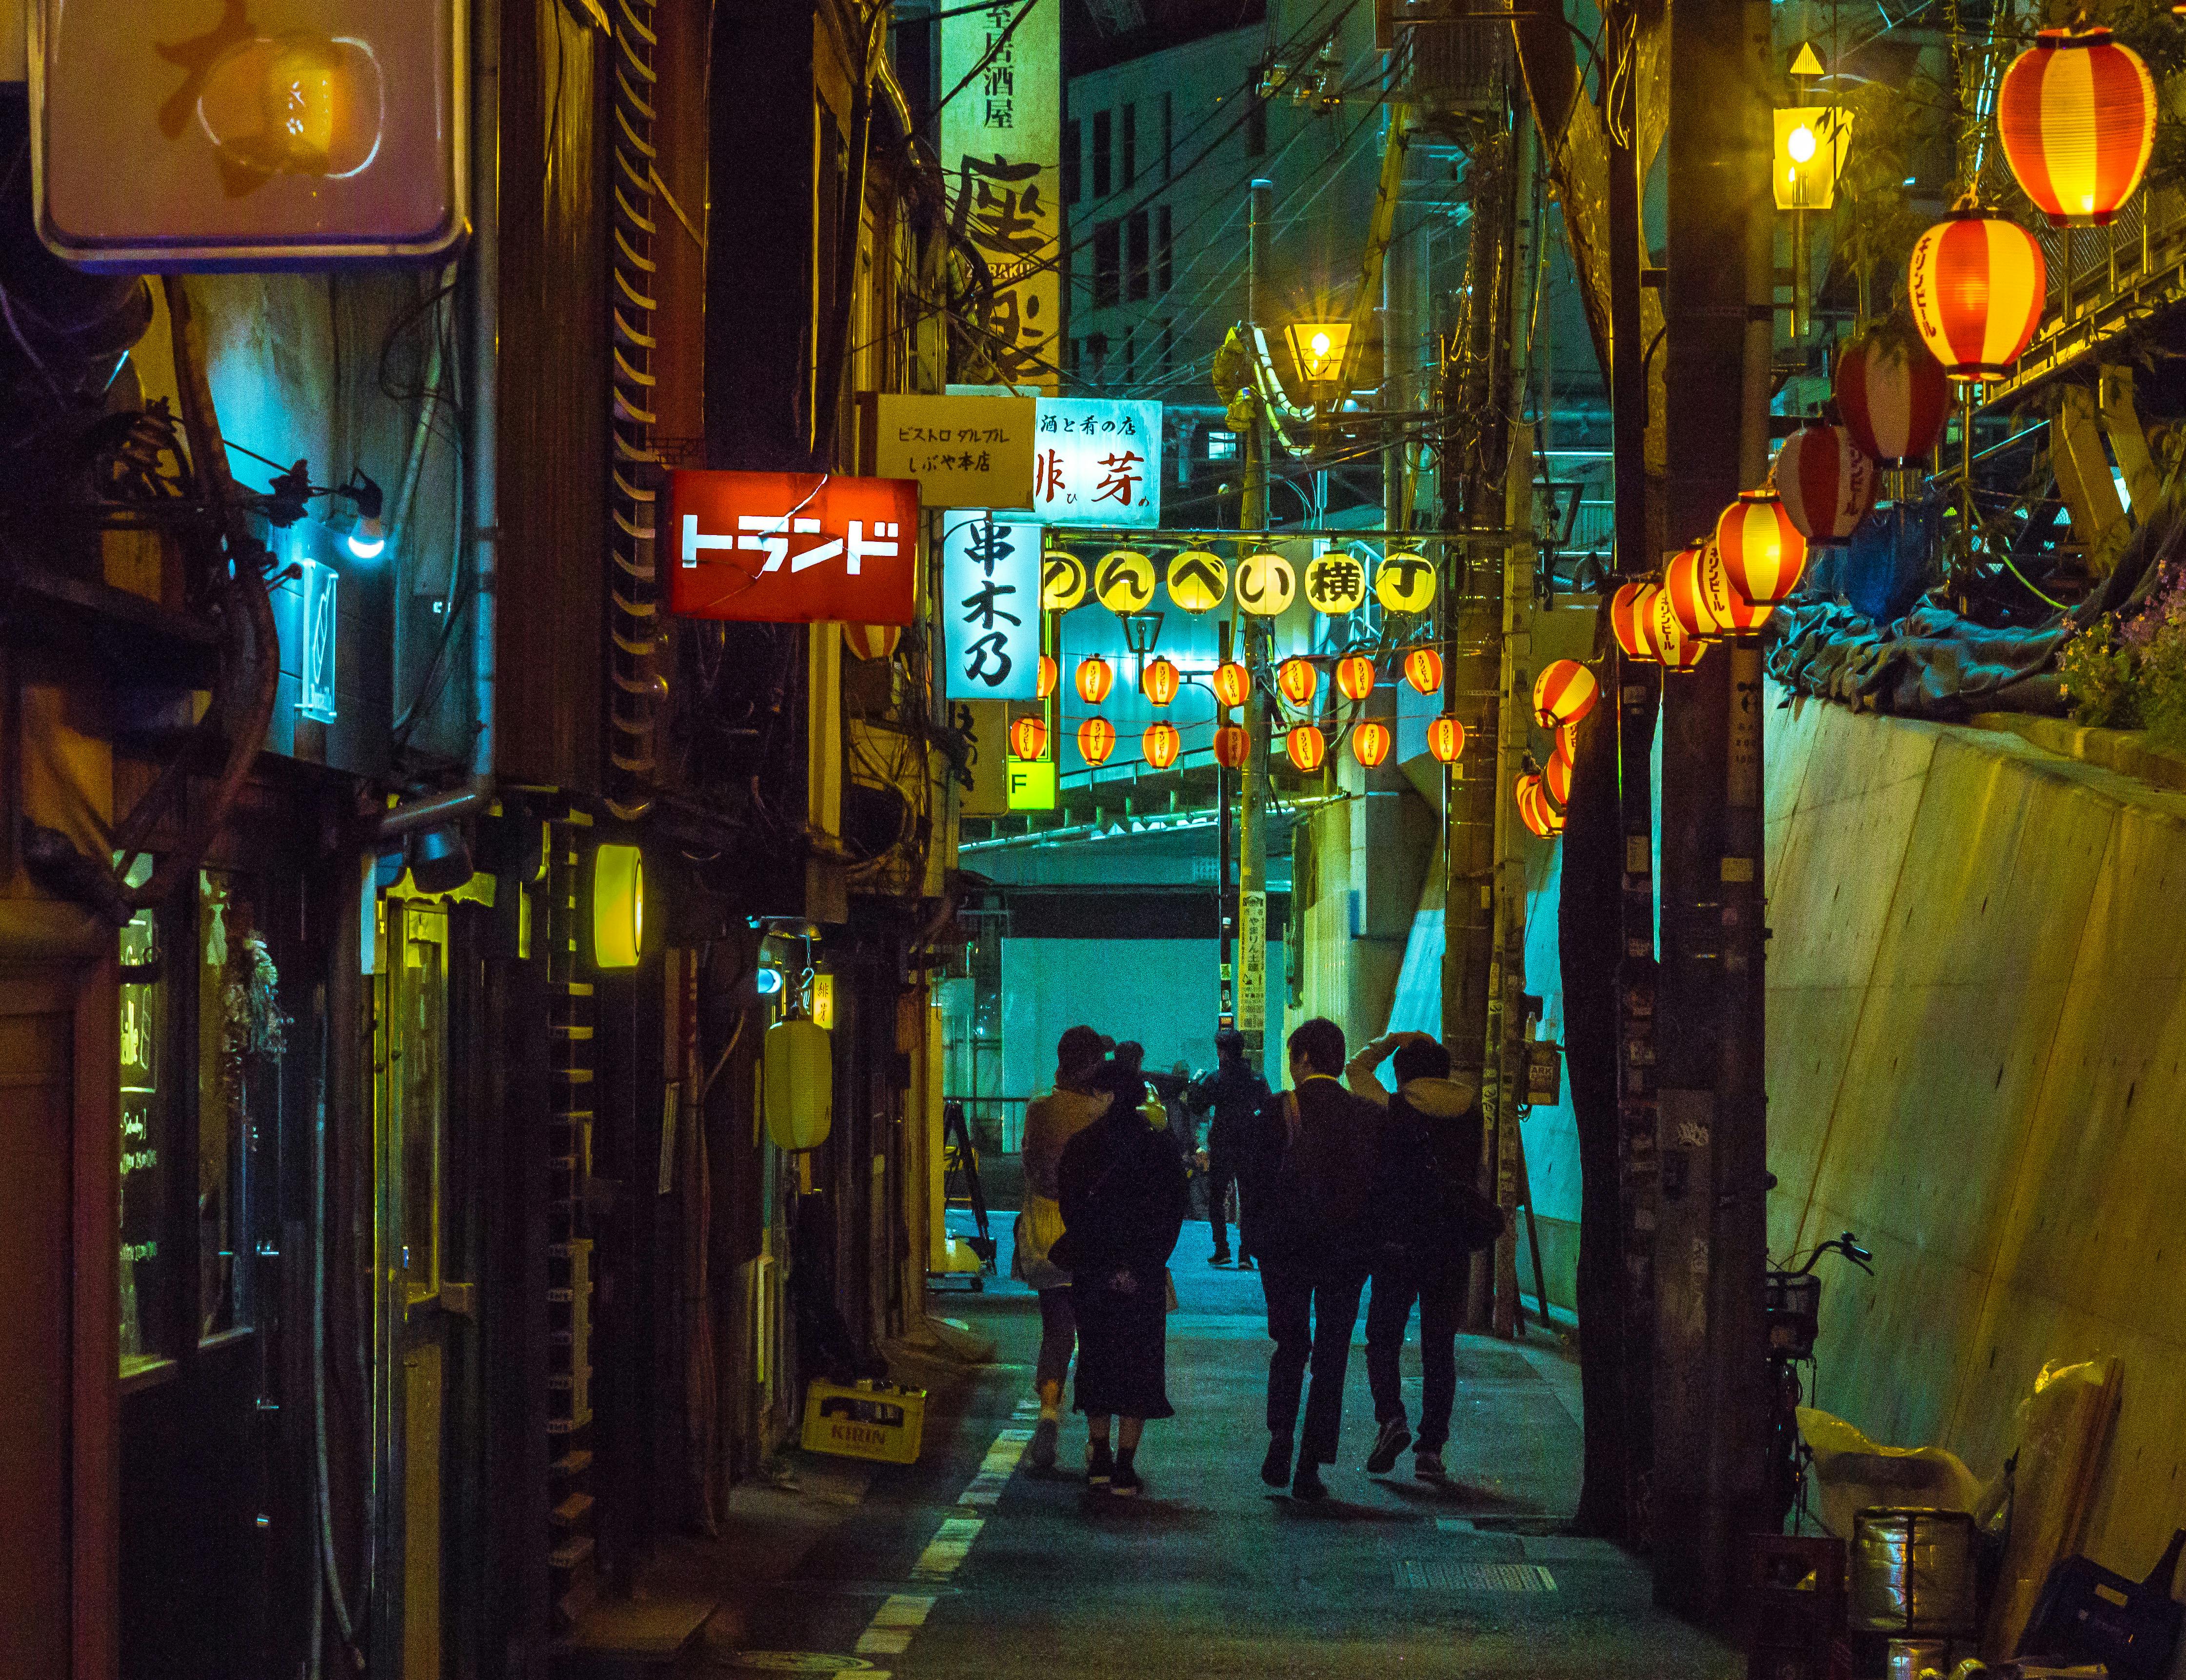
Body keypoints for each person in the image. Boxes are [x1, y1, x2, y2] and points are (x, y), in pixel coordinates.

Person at [1243, 1017, 1383, 1501]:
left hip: (1284, 1248)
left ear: (1304, 1059)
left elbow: (1255, 1181)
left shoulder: (1279, 1110)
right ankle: (1309, 1465)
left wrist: (1255, 1237)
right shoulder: (1366, 1116)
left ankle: (1281, 1433)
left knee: (1290, 1343)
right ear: (1339, 1061)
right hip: (1345, 1252)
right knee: (1331, 1355)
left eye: (1292, 1056)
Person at [1348, 1031, 1483, 1482]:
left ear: (1404, 1072)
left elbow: (1354, 1070)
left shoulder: (1395, 1105)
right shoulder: (1472, 1109)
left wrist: (1392, 1039)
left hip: (1398, 1241)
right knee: (1439, 1348)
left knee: (1383, 1337)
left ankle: (1391, 1418)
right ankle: (1432, 1450)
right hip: (1450, 1244)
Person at [1055, 1057, 1190, 1497]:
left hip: (1094, 1272)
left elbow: (1073, 1213)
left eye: (1093, 1094)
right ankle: (1127, 1467)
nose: (1088, 1102)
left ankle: (1099, 1454)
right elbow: (1172, 1215)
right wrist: (1141, 1265)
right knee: (1140, 1366)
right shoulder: (1161, 1148)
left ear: (1109, 1096)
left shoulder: (1081, 1147)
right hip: (1144, 1274)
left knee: (1097, 1358)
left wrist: (1107, 1264)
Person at [1017, 1025, 1113, 1472]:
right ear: (1092, 1064)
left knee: (1056, 1327)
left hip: (1044, 1229)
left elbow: (1030, 1165)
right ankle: (1099, 1442)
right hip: (1092, 1231)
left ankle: (1049, 1414)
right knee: (1097, 1332)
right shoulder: (1101, 1110)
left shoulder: (1040, 1109)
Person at [1185, 1028, 1269, 1267]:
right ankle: (1245, 1254)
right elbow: (1267, 1109)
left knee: (1217, 1198)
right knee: (1249, 1199)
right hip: (1249, 1146)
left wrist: (1193, 1084)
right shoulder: (1257, 1079)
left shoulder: (1215, 1079)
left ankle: (1222, 1249)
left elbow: (1198, 1106)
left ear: (1222, 1052)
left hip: (1222, 1145)